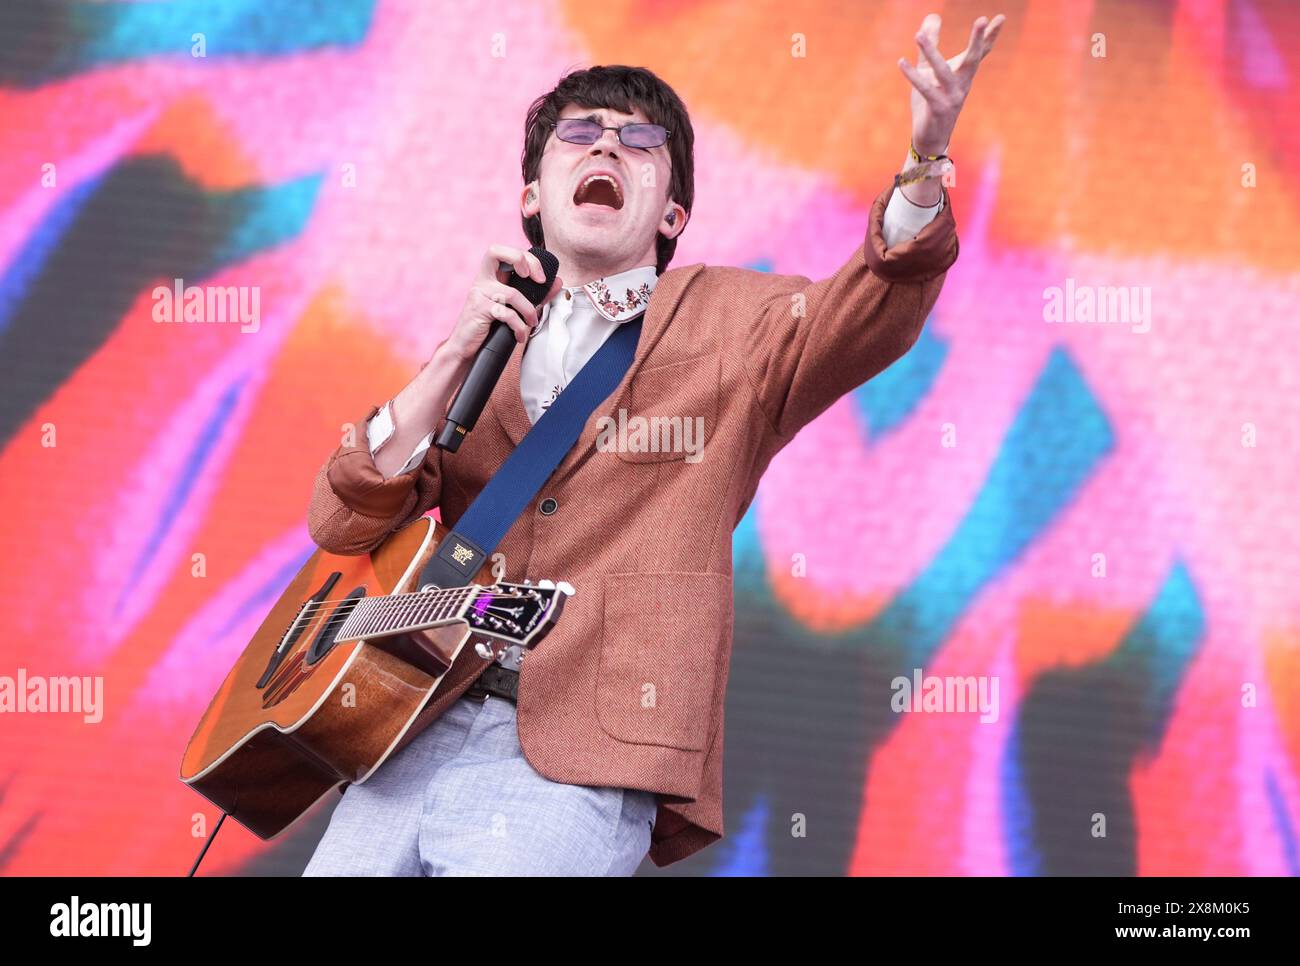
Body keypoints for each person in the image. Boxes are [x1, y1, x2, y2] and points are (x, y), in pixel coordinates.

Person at [302, 13, 1005, 875]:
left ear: (671, 211)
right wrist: (452, 353)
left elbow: (873, 303)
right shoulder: (486, 347)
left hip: (580, 756)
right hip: (407, 726)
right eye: (580, 136)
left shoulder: (732, 321)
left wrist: (925, 167)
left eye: (640, 143)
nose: (607, 150)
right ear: (533, 197)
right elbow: (342, 519)